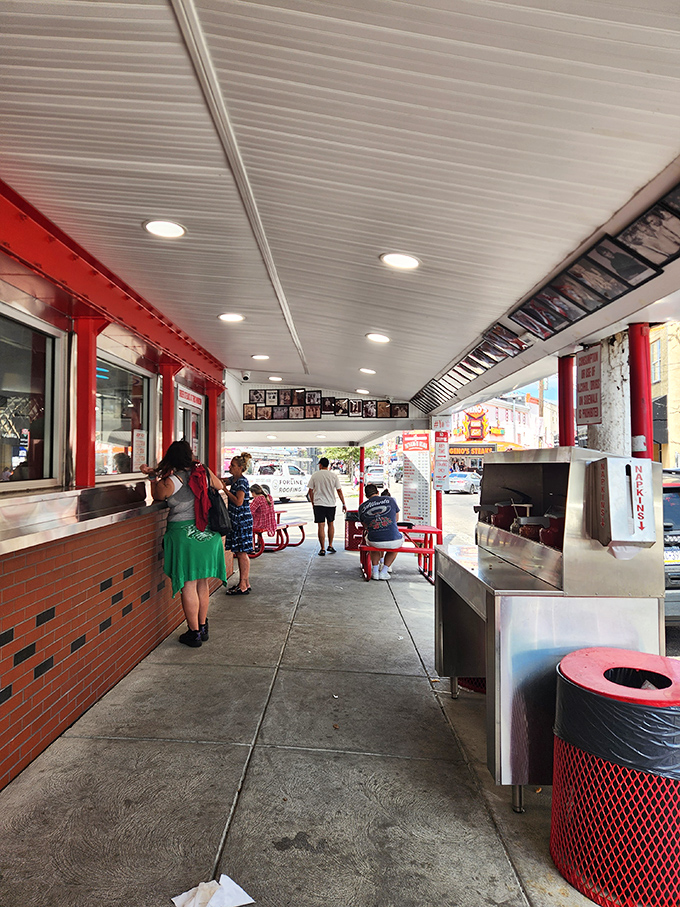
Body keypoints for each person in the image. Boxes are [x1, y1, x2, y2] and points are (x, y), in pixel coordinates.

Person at [140, 440, 226, 648]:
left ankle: (193, 632)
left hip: (184, 535)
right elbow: (220, 485)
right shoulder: (202, 471)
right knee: (202, 583)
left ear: (171, 458)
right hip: (207, 534)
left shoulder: (170, 481)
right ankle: (203, 627)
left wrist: (153, 476)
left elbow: (157, 496)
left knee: (188, 584)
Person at [358, 484, 403, 580]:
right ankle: (384, 571)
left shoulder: (362, 507)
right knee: (396, 545)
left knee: (372, 543)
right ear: (378, 492)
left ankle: (375, 571)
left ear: (366, 495)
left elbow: (365, 526)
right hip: (393, 539)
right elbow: (396, 519)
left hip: (375, 540)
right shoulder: (391, 500)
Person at [223, 452, 253, 593]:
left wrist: (225, 491)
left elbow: (239, 501)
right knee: (241, 552)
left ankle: (242, 584)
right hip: (237, 520)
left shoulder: (241, 481)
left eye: (233, 465)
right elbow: (221, 480)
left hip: (241, 520)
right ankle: (245, 583)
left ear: (241, 468)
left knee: (241, 553)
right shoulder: (234, 479)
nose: (230, 467)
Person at [307, 456, 346, 555]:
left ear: (320, 465)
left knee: (321, 526)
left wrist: (313, 502)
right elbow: (339, 490)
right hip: (331, 504)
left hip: (318, 504)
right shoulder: (333, 476)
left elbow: (310, 491)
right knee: (331, 524)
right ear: (328, 465)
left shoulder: (315, 475)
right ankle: (331, 545)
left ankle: (322, 548)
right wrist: (343, 503)